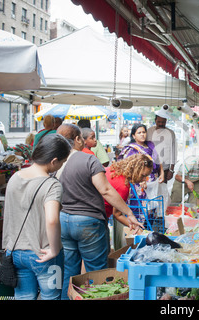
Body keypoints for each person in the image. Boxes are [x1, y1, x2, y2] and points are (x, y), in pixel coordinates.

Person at [56, 123, 144, 300]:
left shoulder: (57, 161)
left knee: (70, 272)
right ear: (78, 139)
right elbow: (105, 190)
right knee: (96, 272)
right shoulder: (88, 159)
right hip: (88, 223)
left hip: (63, 220)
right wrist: (130, 213)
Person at [2, 133, 72, 300]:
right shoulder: (52, 185)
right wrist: (54, 250)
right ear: (54, 161)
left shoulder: (15, 177)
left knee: (23, 297)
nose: (61, 165)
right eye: (62, 162)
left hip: (15, 252)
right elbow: (52, 219)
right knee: (51, 296)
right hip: (43, 253)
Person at [105, 154, 154, 249]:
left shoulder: (114, 170)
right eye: (143, 176)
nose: (144, 179)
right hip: (95, 218)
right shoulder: (123, 187)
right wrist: (136, 227)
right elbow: (117, 214)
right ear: (135, 170)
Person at [118, 123, 164, 224]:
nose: (142, 134)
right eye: (139, 133)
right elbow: (126, 169)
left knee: (151, 207)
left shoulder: (151, 145)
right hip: (138, 184)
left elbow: (158, 160)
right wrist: (141, 180)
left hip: (152, 183)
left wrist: (162, 173)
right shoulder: (130, 149)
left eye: (144, 132)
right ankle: (138, 228)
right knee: (139, 208)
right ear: (134, 136)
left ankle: (148, 230)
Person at [146, 109, 177, 183]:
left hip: (165, 168)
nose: (160, 124)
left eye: (163, 122)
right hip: (150, 168)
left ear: (166, 121)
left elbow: (174, 152)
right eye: (159, 122)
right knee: (151, 191)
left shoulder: (171, 133)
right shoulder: (149, 131)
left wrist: (171, 170)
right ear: (155, 120)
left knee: (163, 191)